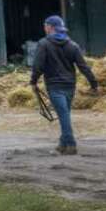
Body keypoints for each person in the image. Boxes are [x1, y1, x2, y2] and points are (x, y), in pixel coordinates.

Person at [28, 15, 99, 156]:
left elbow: (38, 66)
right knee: (64, 114)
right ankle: (62, 144)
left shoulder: (44, 44)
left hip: (54, 85)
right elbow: (83, 66)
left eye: (45, 25)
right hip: (70, 85)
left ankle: (71, 144)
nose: (44, 28)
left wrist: (33, 81)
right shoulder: (72, 45)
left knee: (63, 115)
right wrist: (94, 83)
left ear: (50, 27)